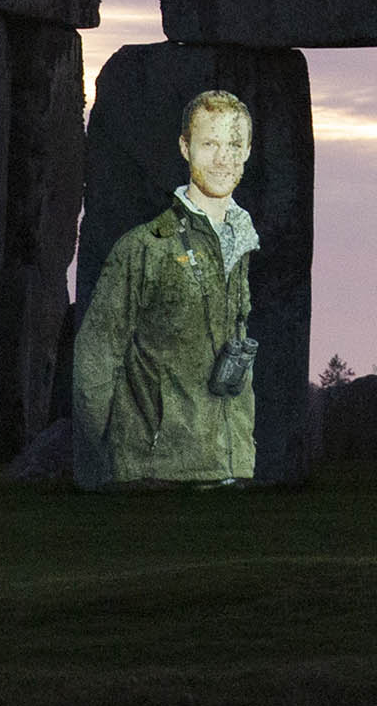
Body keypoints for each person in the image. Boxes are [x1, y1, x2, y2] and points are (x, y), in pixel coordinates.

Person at [70, 88, 262, 488]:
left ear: (247, 151)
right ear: (185, 147)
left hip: (232, 466)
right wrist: (108, 460)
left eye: (234, 144)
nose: (224, 157)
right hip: (155, 472)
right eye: (210, 143)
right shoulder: (144, 247)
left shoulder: (244, 244)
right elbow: (96, 356)